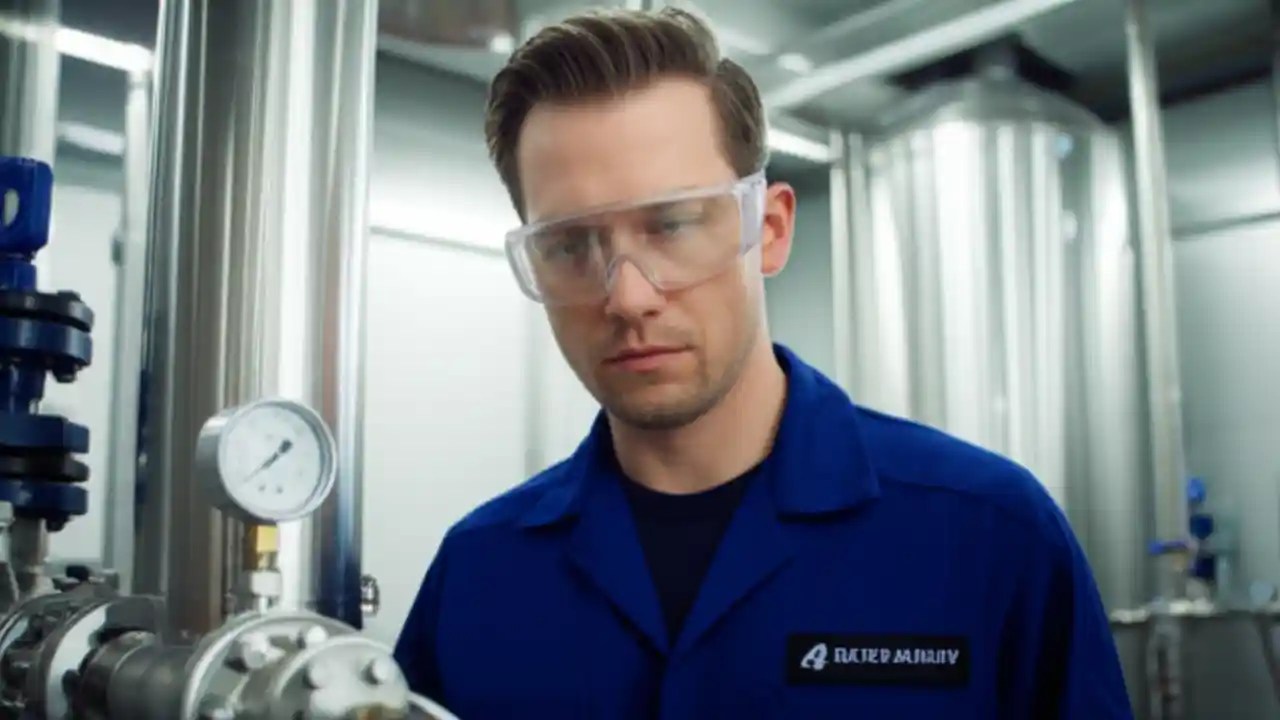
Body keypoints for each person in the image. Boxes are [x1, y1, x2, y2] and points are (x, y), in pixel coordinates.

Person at [394, 6, 1133, 718]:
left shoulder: (989, 537)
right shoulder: (478, 574)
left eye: (674, 224)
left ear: (770, 229)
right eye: (567, 245)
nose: (627, 297)